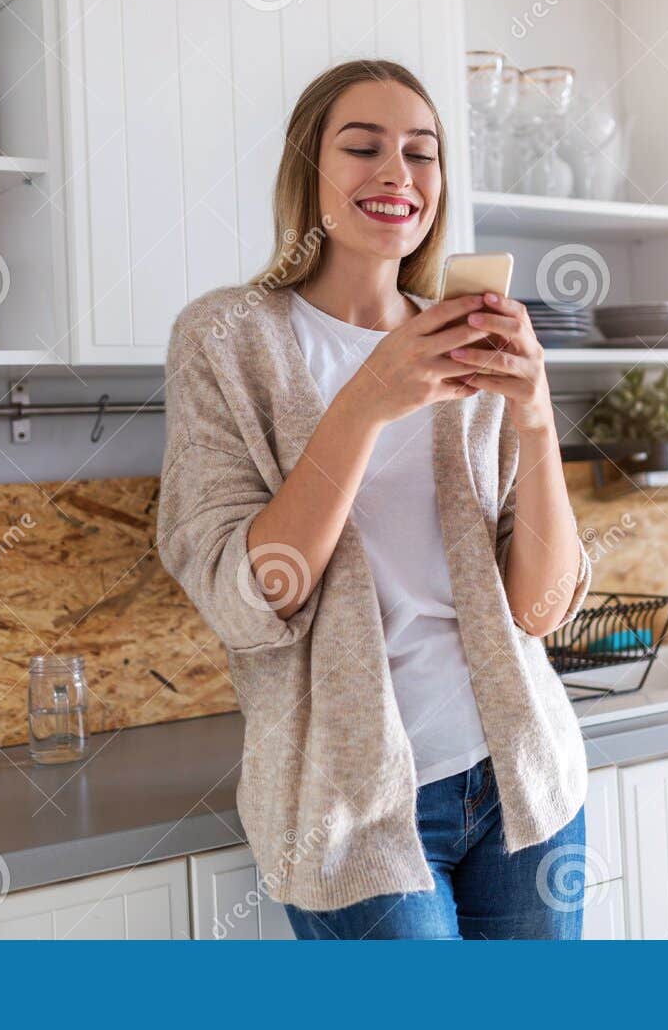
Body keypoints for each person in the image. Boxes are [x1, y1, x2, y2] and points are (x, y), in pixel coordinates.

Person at [156, 59, 593, 939]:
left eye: (422, 153)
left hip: (523, 781)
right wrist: (367, 398)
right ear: (308, 176)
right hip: (350, 806)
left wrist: (539, 417)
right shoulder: (227, 338)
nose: (398, 173)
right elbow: (252, 598)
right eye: (363, 147)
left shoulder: (469, 343)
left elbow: (541, 609)